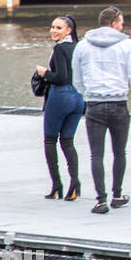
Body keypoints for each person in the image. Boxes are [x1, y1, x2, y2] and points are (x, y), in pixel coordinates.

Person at [72, 5, 131, 215]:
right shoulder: (127, 45)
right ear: (114, 24)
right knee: (119, 152)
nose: (123, 28)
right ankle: (117, 195)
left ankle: (100, 200)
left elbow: (76, 77)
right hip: (118, 105)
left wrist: (85, 95)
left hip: (94, 105)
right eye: (121, 23)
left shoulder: (82, 45)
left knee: (96, 154)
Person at [35, 15, 85, 201]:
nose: (53, 30)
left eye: (58, 28)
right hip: (78, 98)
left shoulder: (59, 49)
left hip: (60, 96)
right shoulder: (79, 47)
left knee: (50, 141)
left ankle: (56, 185)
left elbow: (61, 77)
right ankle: (74, 183)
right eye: (52, 27)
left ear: (68, 31)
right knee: (68, 141)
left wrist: (44, 72)